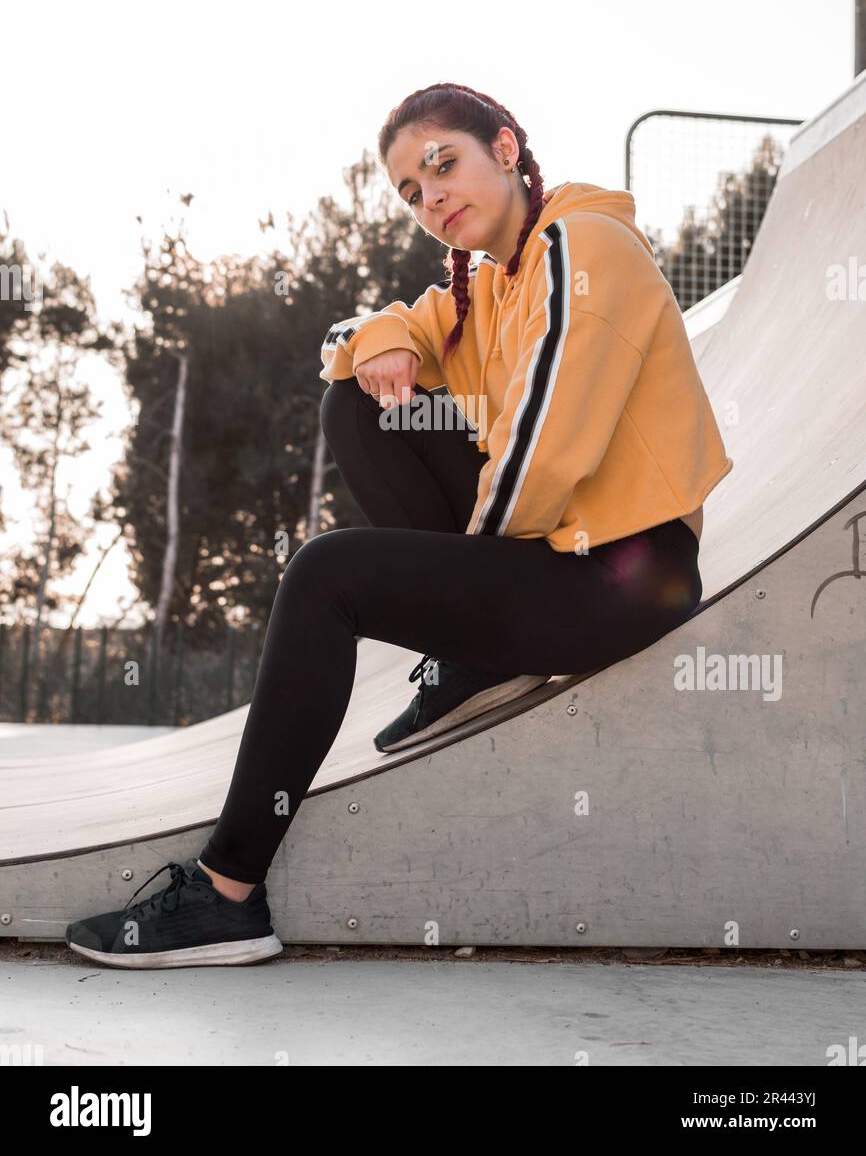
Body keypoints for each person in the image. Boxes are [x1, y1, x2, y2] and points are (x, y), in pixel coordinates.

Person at [64, 81, 733, 969]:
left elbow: (545, 453)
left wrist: (461, 595)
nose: (431, 200)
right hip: (560, 557)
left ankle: (227, 894)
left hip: (627, 573)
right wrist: (385, 331)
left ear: (505, 148)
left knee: (326, 573)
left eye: (443, 166)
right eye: (412, 194)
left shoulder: (584, 246)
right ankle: (480, 648)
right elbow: (360, 341)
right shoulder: (491, 282)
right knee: (360, 406)